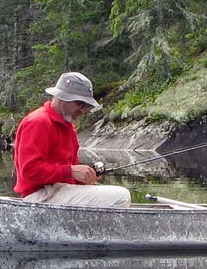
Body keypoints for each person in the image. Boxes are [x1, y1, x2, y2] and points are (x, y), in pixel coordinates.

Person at [13, 71, 131, 207]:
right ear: (62, 98)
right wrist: (71, 171)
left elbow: (69, 171)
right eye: (80, 104)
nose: (84, 110)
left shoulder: (67, 125)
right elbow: (29, 171)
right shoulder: (38, 122)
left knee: (115, 194)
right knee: (121, 195)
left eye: (87, 106)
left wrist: (84, 176)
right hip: (40, 195)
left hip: (59, 191)